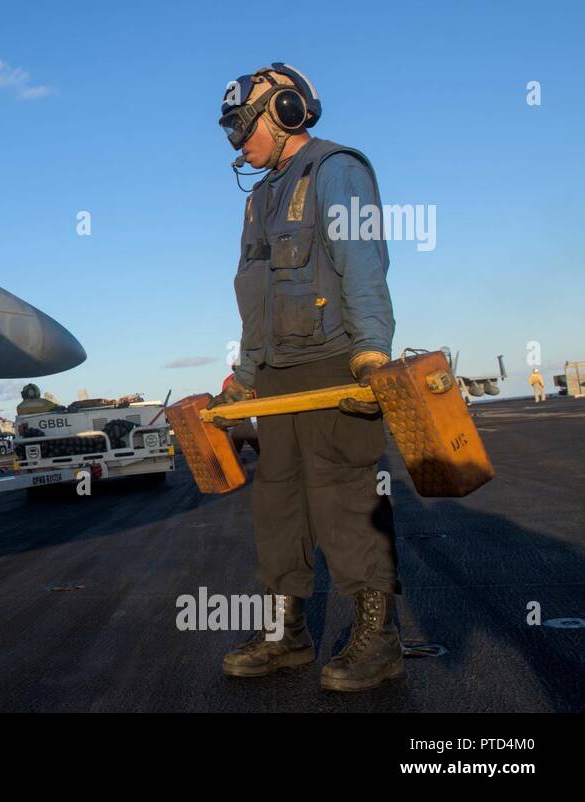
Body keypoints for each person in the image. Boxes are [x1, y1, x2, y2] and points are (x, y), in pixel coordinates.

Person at [212, 64, 403, 692]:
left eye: (242, 129)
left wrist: (372, 352)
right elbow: (255, 300)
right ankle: (284, 636)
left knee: (345, 499)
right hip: (275, 377)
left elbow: (363, 265)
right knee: (278, 506)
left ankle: (378, 640)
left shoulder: (336, 170)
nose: (237, 144)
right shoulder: (258, 198)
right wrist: (243, 378)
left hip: (331, 365)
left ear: (285, 112)